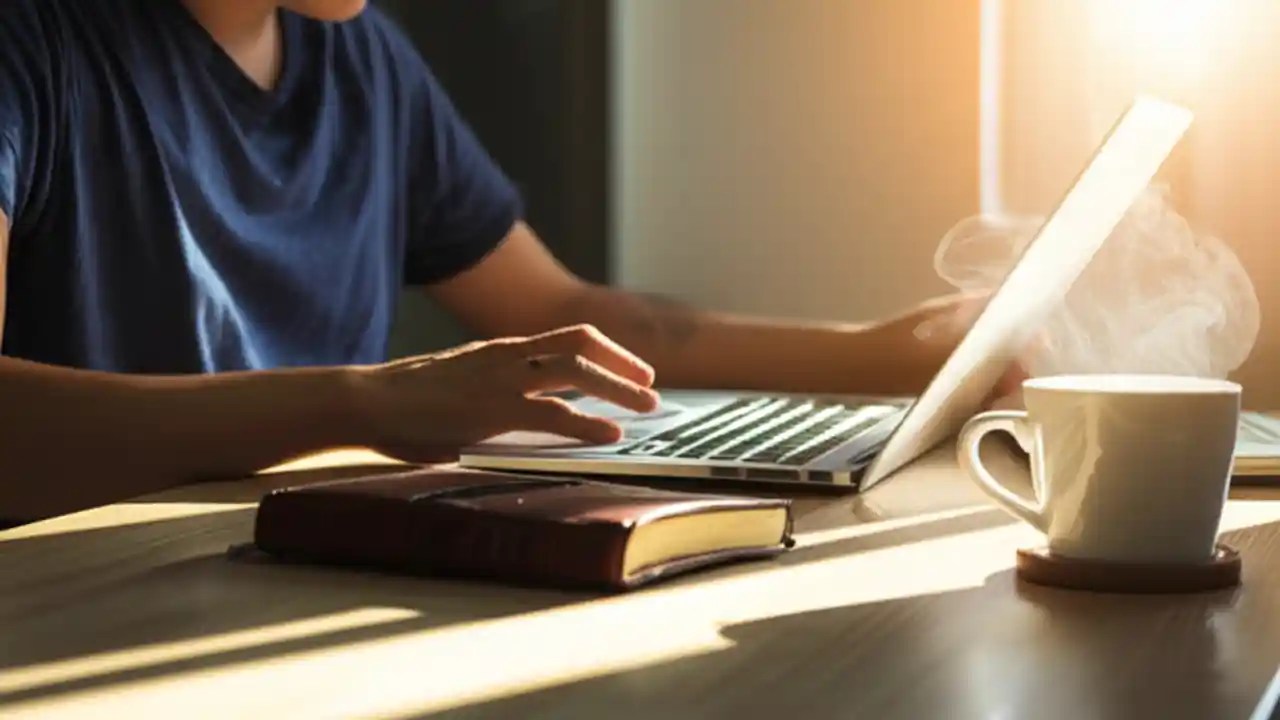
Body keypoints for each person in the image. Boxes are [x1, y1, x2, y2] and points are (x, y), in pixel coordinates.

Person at [0, 0, 989, 523]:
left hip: (265, 567)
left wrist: (883, 353)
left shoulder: (363, 62)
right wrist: (364, 403)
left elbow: (564, 311)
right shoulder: (31, 43)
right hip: (76, 599)